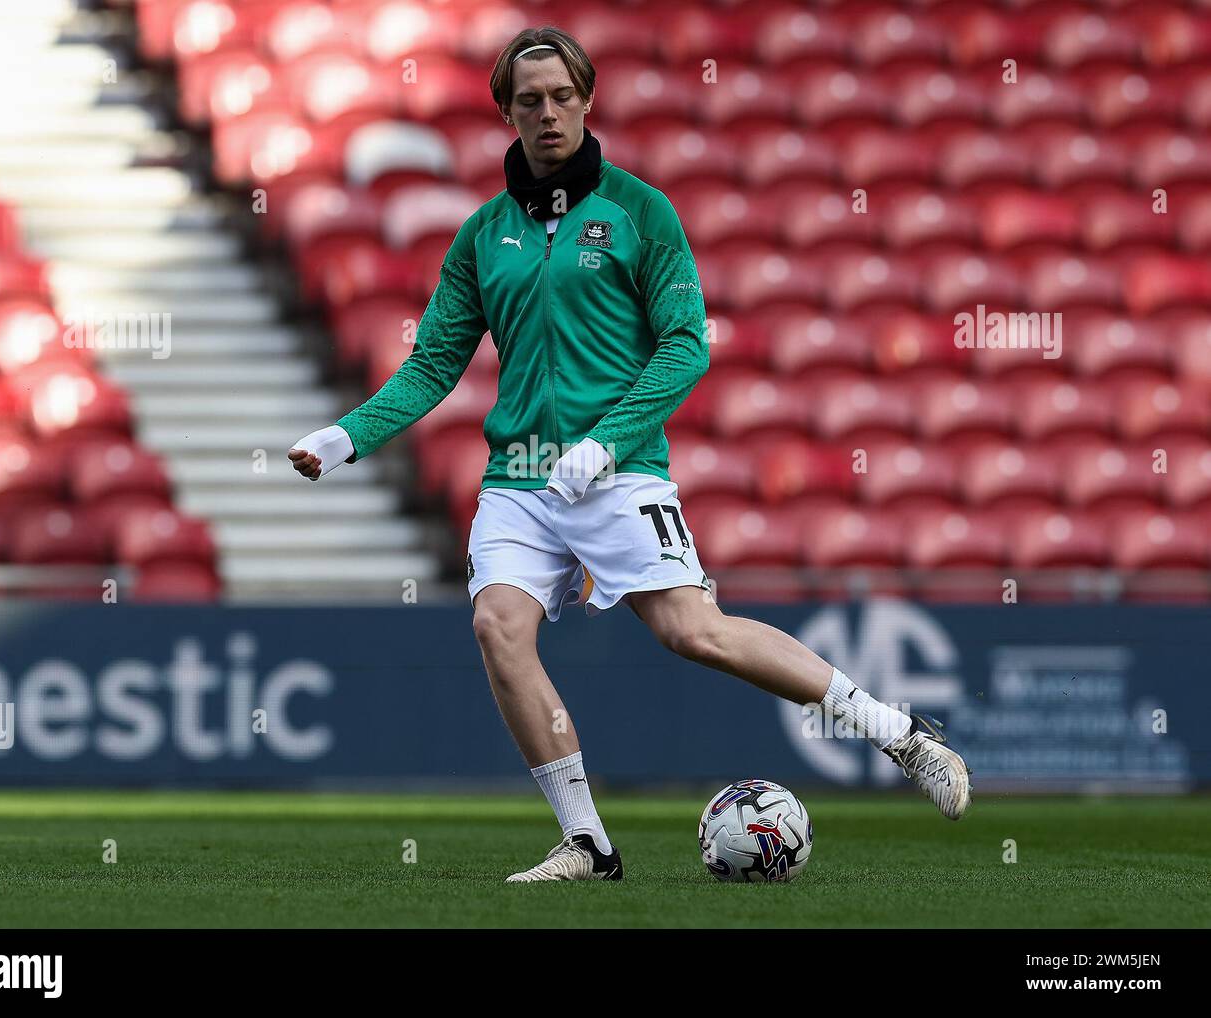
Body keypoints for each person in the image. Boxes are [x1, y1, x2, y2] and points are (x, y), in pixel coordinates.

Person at [290, 26, 970, 882]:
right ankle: (586, 842)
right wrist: (347, 435)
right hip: (518, 479)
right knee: (499, 627)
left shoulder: (642, 212)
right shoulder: (480, 235)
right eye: (529, 100)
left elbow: (687, 345)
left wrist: (605, 444)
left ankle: (901, 736)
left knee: (696, 633)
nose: (547, 114)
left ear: (588, 100)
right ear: (505, 110)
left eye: (562, 97)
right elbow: (433, 364)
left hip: (620, 472)